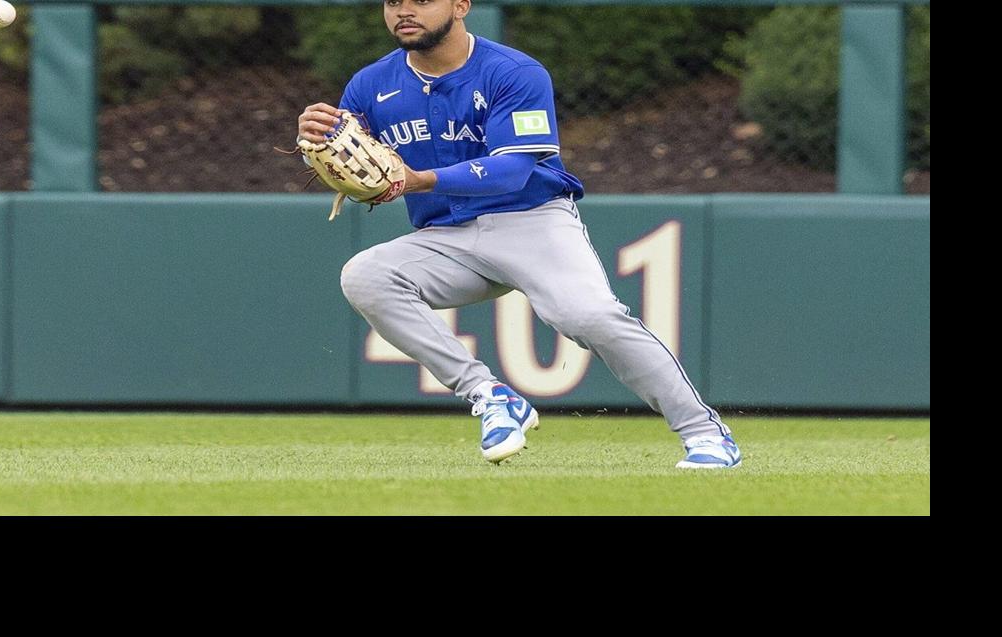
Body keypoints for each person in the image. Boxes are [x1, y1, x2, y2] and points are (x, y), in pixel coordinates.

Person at [296, 0, 739, 469]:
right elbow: (347, 155)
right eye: (393, 1)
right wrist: (315, 144)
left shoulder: (512, 72)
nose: (404, 10)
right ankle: (490, 396)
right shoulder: (370, 84)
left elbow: (512, 170)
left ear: (461, 5)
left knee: (591, 316)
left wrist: (422, 179)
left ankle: (705, 432)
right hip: (446, 236)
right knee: (366, 274)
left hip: (531, 221)